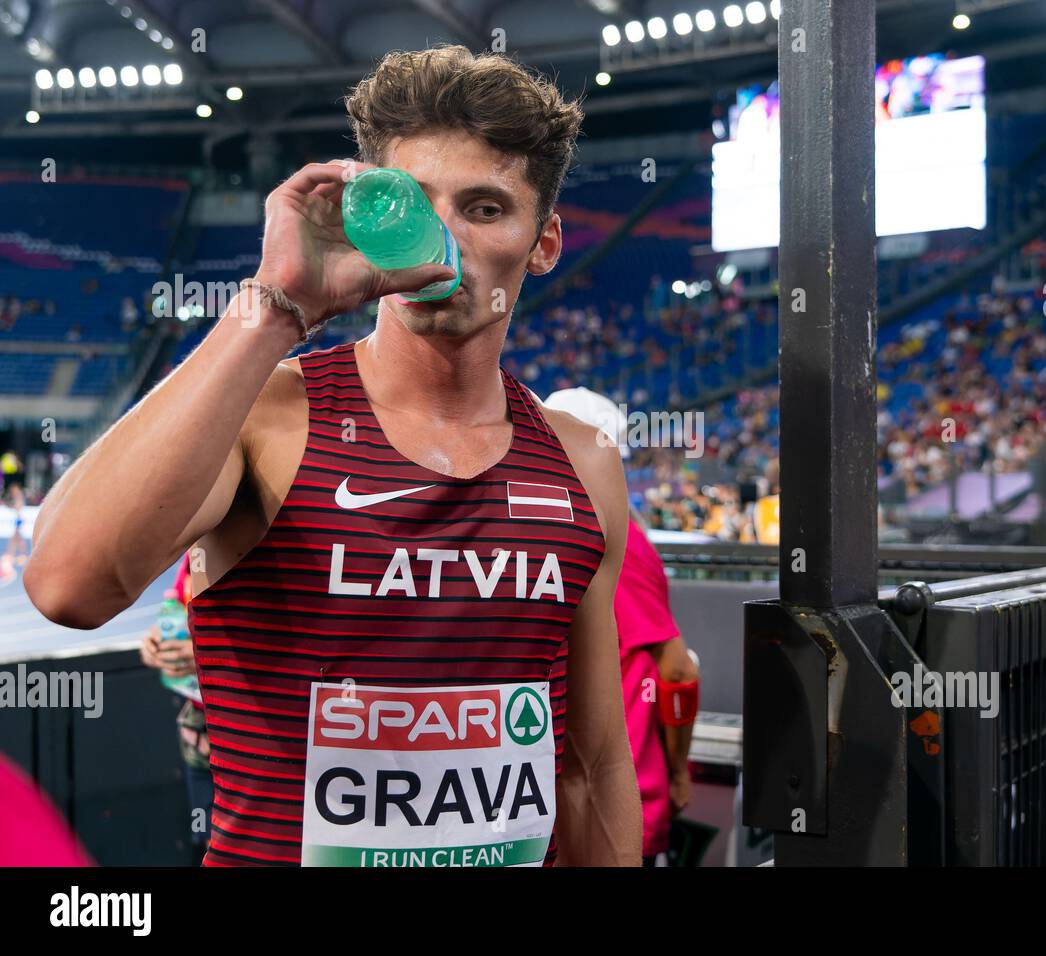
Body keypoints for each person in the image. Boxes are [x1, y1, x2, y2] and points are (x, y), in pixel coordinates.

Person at [25, 45, 640, 867]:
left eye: (486, 207)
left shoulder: (581, 460)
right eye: (415, 202)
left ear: (544, 242)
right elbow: (67, 586)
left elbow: (592, 769)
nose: (444, 237)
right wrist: (277, 304)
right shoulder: (268, 416)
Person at [545, 386, 700, 866]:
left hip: (584, 805)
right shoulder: (610, 534)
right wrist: (677, 772)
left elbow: (674, 672)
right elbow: (678, 674)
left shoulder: (566, 529)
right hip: (594, 802)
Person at [138, 552, 212, 865]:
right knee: (209, 846)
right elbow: (176, 611)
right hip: (200, 741)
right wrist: (155, 643)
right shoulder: (197, 551)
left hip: (254, 743)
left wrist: (206, 652)